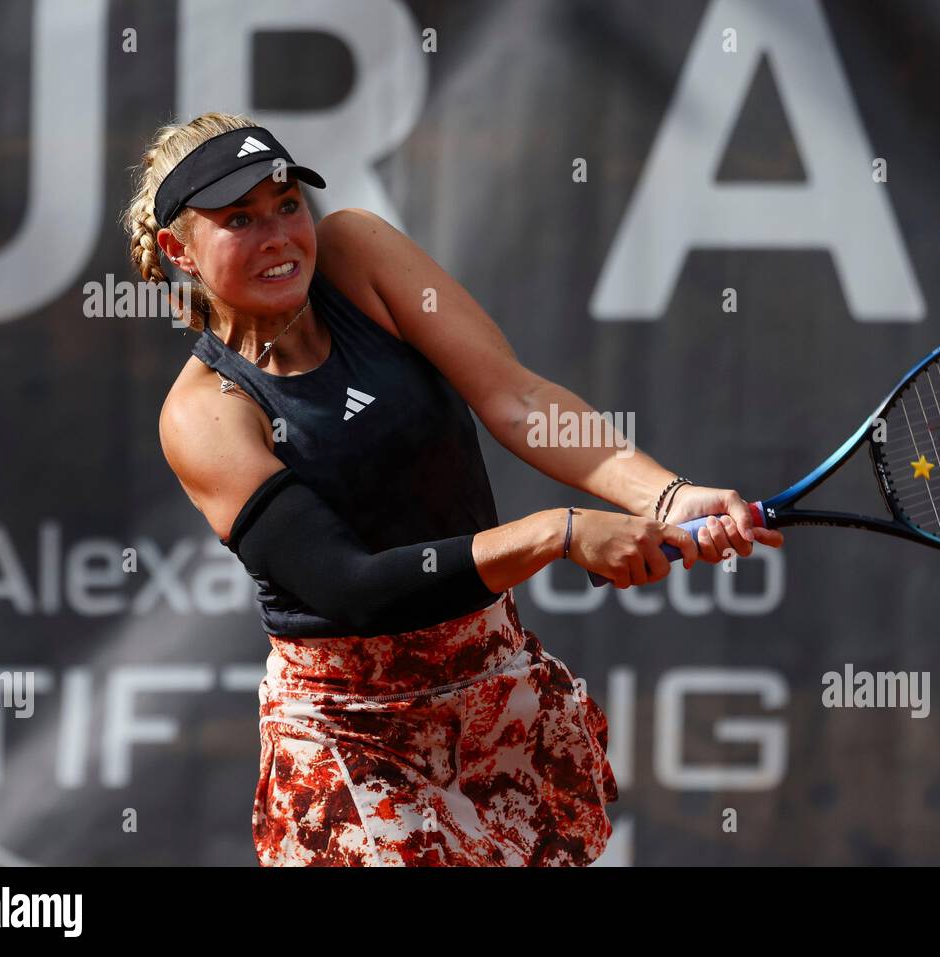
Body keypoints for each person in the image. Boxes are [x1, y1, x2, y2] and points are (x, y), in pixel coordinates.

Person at [122, 112, 785, 866]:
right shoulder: (205, 413)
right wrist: (559, 532)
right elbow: (354, 586)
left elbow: (518, 398)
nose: (279, 235)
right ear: (179, 249)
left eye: (286, 204)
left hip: (490, 689)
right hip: (347, 738)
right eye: (239, 219)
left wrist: (663, 497)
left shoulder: (357, 252)